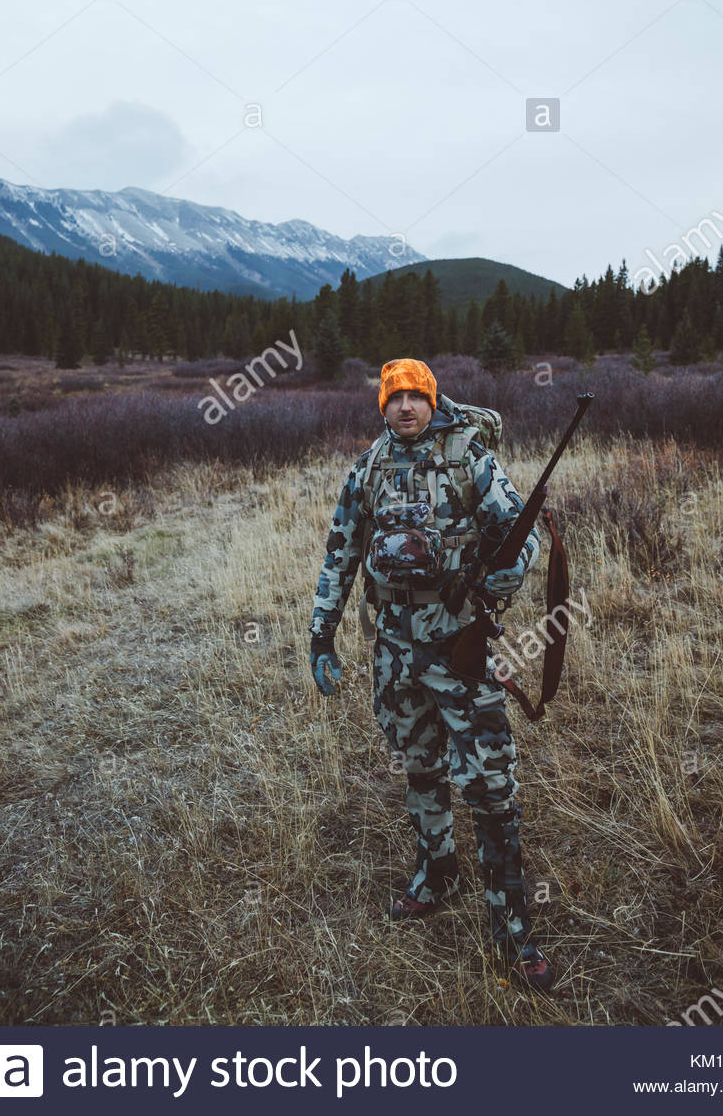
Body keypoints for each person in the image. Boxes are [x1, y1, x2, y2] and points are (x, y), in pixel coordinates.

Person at [308, 357, 552, 991]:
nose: (406, 407)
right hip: (393, 649)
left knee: (491, 783)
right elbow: (340, 551)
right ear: (382, 406)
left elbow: (520, 532)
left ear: (432, 401)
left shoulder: (468, 454)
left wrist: (501, 579)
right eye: (395, 399)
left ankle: (512, 925)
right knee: (418, 764)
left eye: (417, 397)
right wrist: (321, 633)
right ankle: (435, 871)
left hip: (460, 648)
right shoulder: (367, 470)